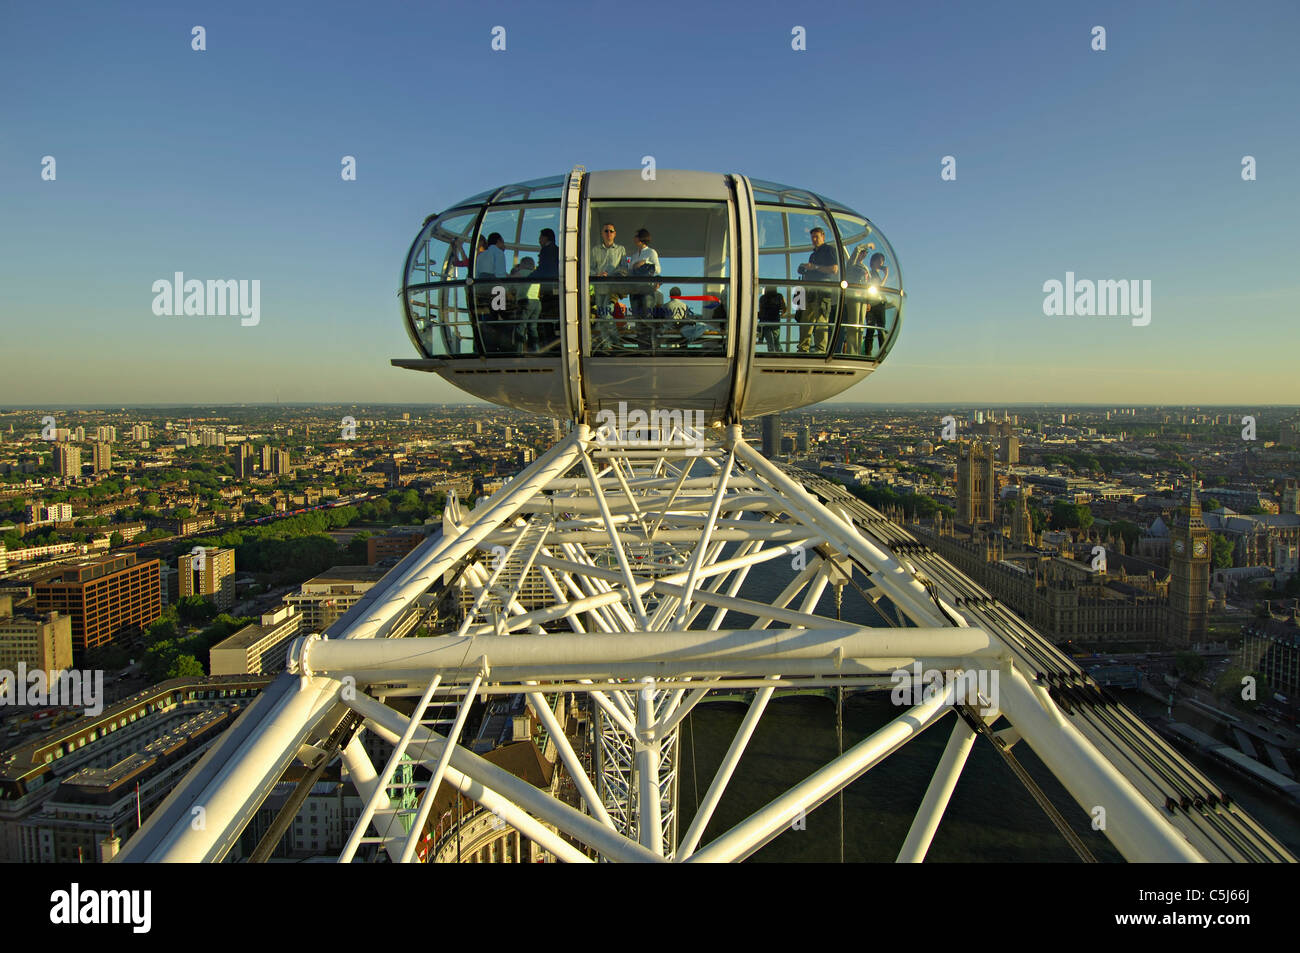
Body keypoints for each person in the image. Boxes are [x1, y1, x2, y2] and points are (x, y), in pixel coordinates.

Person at [795, 226, 839, 354]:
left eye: (816, 237)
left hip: (823, 288)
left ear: (823, 237)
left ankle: (820, 349)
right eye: (812, 237)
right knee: (806, 320)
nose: (814, 239)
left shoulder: (829, 250)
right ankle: (803, 348)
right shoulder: (813, 255)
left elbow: (834, 269)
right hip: (810, 289)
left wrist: (814, 267)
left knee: (821, 319)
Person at [590, 223, 626, 351]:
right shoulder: (595, 250)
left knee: (606, 315)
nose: (608, 233)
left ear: (615, 233)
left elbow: (624, 268)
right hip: (599, 288)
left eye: (611, 231)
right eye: (606, 231)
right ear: (602, 233)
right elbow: (589, 269)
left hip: (613, 289)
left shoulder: (621, 249)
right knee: (601, 317)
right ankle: (607, 345)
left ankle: (617, 342)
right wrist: (597, 274)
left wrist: (613, 275)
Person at [628, 228, 660, 348]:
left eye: (636, 236)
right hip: (635, 290)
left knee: (647, 317)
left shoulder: (651, 252)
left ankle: (650, 347)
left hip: (646, 289)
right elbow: (630, 270)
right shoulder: (634, 254)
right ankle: (641, 346)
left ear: (641, 238)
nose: (634, 238)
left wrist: (643, 263)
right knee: (637, 318)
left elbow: (657, 269)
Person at [530, 229, 560, 352]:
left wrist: (529, 278)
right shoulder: (557, 250)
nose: (539, 240)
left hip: (549, 291)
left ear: (546, 238)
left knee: (547, 320)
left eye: (540, 237)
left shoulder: (547, 251)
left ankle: (550, 347)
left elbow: (543, 269)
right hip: (555, 289)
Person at [511, 256, 539, 352]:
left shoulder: (521, 273)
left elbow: (509, 283)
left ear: (523, 264)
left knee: (521, 327)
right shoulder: (535, 274)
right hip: (537, 303)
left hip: (525, 301)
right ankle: (535, 349)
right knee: (533, 327)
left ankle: (519, 350)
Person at [758, 286, 787, 353]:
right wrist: (781, 314)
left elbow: (761, 311)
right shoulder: (779, 296)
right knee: (776, 340)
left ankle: (771, 353)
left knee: (770, 341)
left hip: (765, 322)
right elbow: (784, 308)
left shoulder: (763, 298)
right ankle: (779, 354)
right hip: (775, 321)